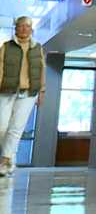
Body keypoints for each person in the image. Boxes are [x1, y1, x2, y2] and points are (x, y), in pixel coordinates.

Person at [0, 17, 45, 177]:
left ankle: (4, 161)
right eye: (21, 26)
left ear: (31, 29)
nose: (24, 29)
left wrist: (42, 91)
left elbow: (42, 70)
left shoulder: (37, 48)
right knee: (2, 127)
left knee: (16, 127)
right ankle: (11, 157)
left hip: (28, 93)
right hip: (6, 91)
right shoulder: (6, 46)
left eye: (27, 26)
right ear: (16, 28)